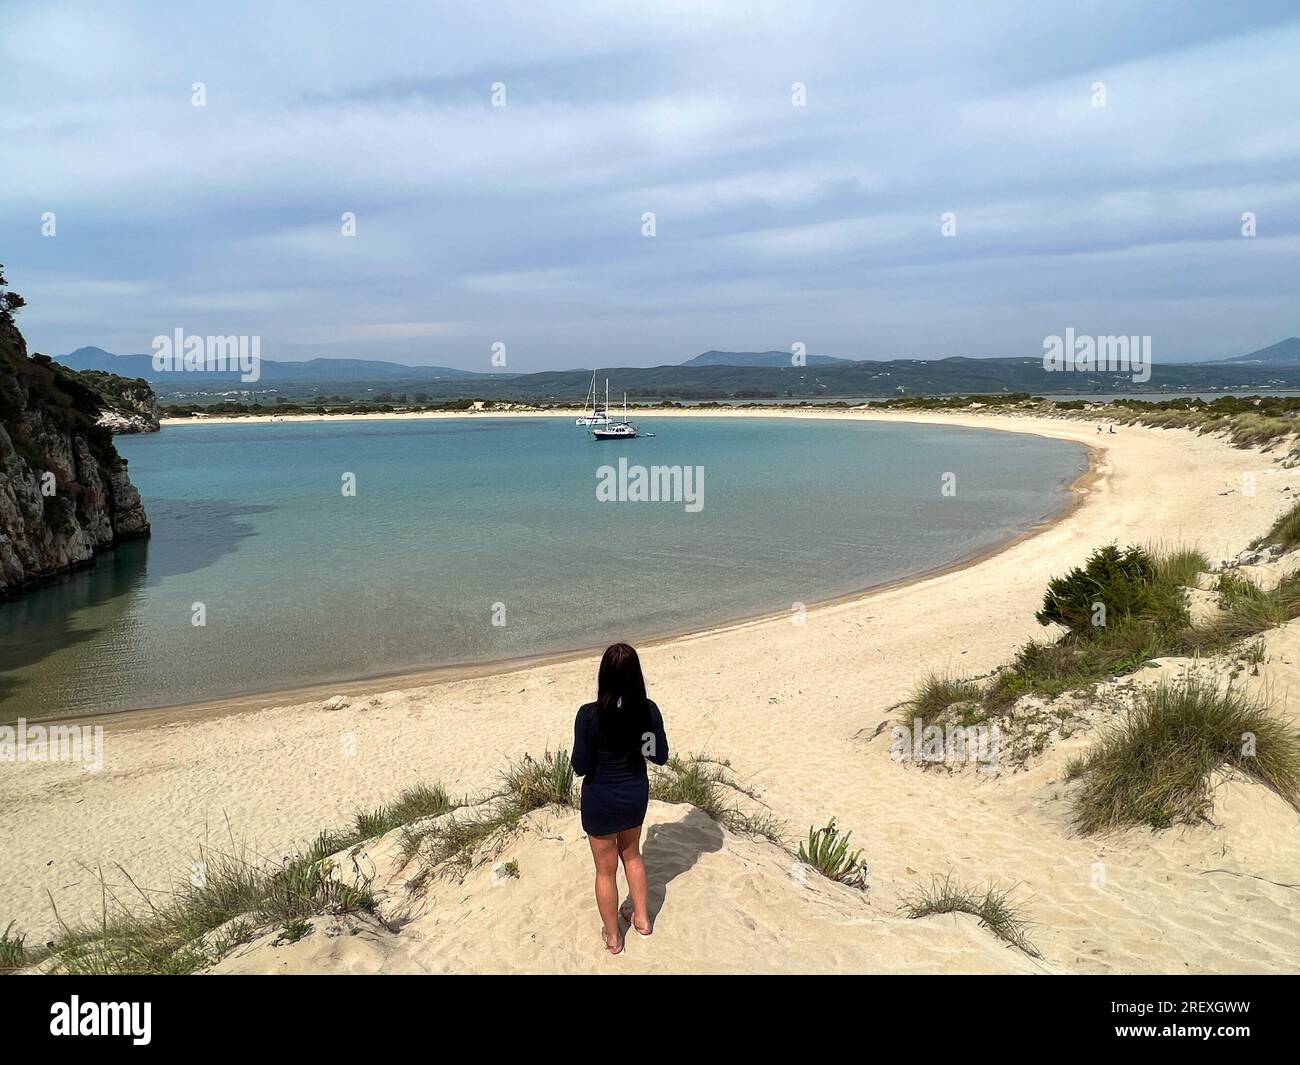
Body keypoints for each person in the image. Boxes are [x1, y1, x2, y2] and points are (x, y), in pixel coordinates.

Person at [571, 643, 670, 955]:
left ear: (604, 676)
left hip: (601, 798)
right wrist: (638, 738)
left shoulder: (589, 716)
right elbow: (659, 756)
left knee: (605, 869)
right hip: (633, 795)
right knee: (632, 855)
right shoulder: (647, 711)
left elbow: (580, 765)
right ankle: (642, 919)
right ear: (636, 676)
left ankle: (613, 936)